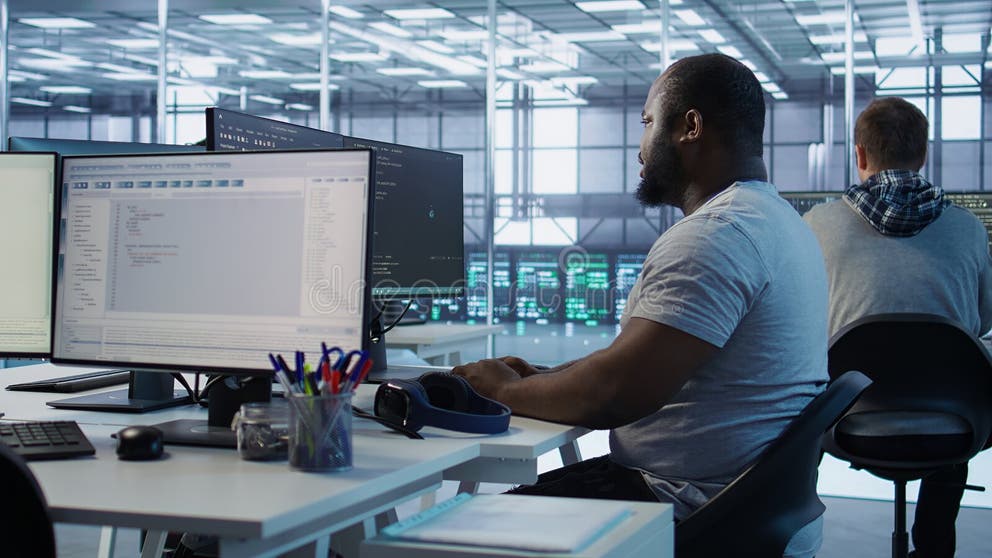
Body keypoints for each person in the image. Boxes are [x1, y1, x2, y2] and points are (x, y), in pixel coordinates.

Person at [452, 53, 828, 556]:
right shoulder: (779, 222)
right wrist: (545, 377)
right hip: (750, 507)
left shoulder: (716, 236)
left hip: (687, 511)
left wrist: (502, 389)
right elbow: (649, 363)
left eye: (649, 122)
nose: (639, 149)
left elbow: (616, 393)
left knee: (453, 535)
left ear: (690, 126)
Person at [804, 96, 992, 558]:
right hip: (956, 425)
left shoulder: (817, 225)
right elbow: (983, 321)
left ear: (861, 155)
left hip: (844, 422)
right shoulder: (968, 229)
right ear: (923, 155)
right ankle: (933, 543)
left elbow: (799, 321)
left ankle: (796, 527)